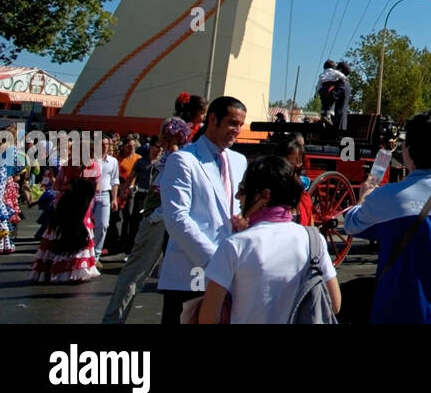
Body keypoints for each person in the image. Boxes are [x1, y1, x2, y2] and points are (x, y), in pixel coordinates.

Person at [342, 111, 431, 323]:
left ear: (408, 150)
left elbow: (351, 225)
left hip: (395, 312)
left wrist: (363, 197)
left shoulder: (386, 197)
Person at [200, 155, 341, 323]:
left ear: (265, 195)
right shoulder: (313, 240)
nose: (238, 196)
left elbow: (208, 317)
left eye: (243, 188)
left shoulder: (235, 245)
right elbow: (334, 304)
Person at [158, 96, 249, 324]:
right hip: (190, 273)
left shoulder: (239, 161)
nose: (236, 130)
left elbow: (241, 209)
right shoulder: (183, 160)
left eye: (240, 125)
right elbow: (177, 219)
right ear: (212, 119)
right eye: (232, 123)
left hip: (228, 275)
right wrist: (215, 262)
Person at [102, 117, 191, 323]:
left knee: (135, 273)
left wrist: (155, 215)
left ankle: (112, 319)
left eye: (162, 132)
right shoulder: (175, 156)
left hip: (158, 219)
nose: (159, 137)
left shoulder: (175, 157)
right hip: (159, 218)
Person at [31, 155, 101, 283]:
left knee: (79, 237)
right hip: (66, 206)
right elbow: (56, 186)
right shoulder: (67, 165)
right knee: (60, 236)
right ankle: (58, 271)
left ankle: (78, 271)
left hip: (82, 207)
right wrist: (68, 187)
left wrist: (76, 186)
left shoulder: (93, 166)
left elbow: (96, 186)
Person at [92, 134, 119, 261]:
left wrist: (114, 199)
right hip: (90, 195)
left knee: (103, 225)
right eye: (102, 144)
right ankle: (86, 252)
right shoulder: (90, 159)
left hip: (105, 194)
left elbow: (115, 181)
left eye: (107, 144)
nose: (104, 147)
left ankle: (96, 256)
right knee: (87, 225)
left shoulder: (113, 161)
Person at [316, 61, 348, 128]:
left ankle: (323, 114)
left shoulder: (321, 74)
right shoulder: (335, 72)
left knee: (324, 103)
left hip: (323, 89)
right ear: (333, 67)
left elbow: (319, 85)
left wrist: (318, 91)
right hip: (331, 88)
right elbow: (341, 76)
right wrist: (345, 78)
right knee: (331, 103)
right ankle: (328, 117)